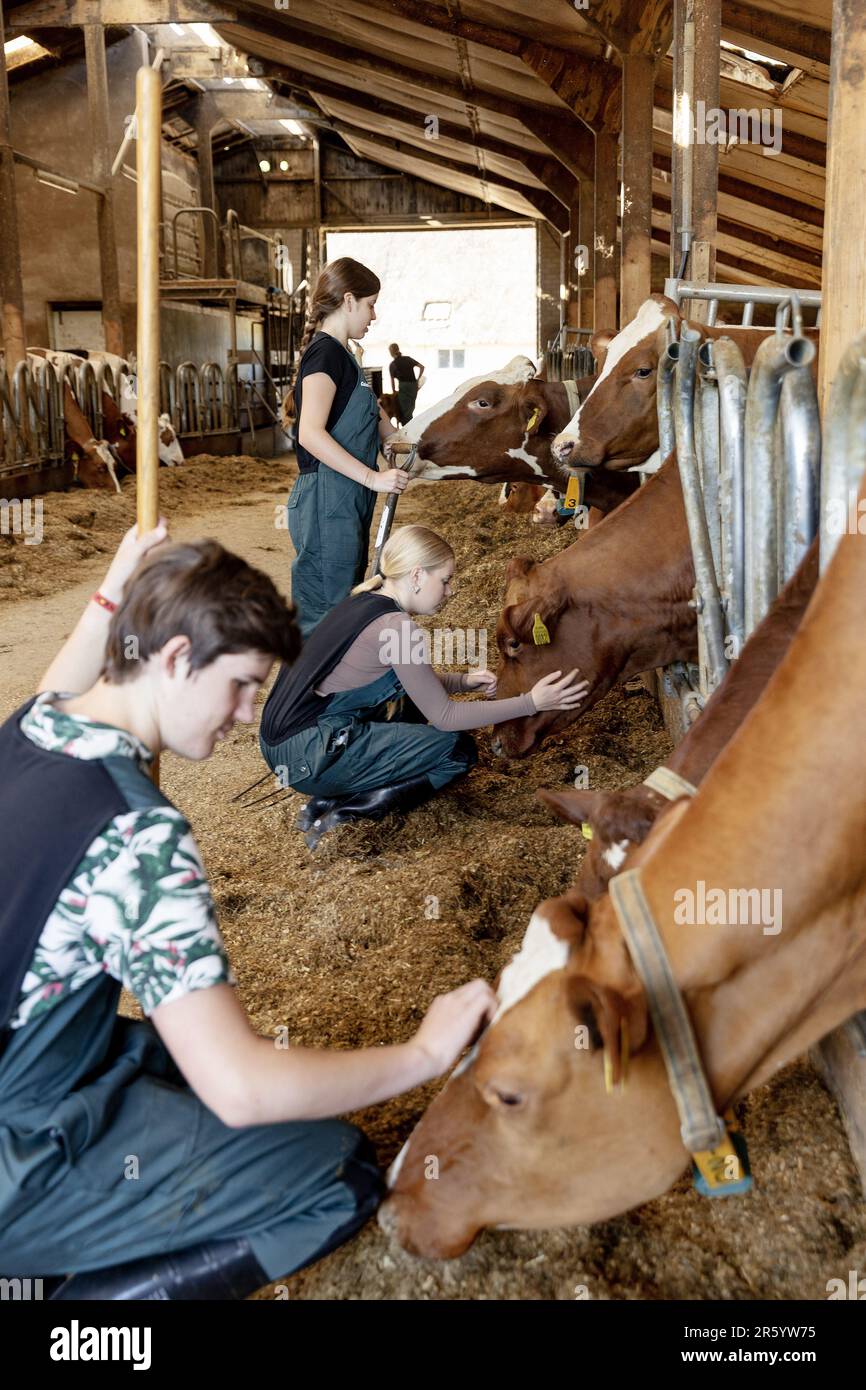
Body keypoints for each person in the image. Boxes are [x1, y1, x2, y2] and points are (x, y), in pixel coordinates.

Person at [0, 523, 496, 1300]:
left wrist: (121, 579)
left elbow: (79, 659)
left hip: (27, 1055)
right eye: (239, 685)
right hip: (17, 1142)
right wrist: (425, 1056)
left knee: (162, 1069)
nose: (243, 715)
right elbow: (238, 1086)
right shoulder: (141, 836)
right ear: (170, 658)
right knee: (339, 1175)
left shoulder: (34, 731)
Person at [259, 525, 588, 849]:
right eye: (445, 580)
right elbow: (445, 716)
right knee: (456, 751)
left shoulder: (363, 601)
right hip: (309, 753)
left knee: (410, 707)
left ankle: (322, 801)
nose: (449, 591)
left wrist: (463, 681)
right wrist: (531, 702)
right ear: (417, 576)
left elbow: (407, 682)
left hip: (289, 742)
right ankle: (345, 813)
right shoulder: (397, 627)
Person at [287, 258, 409, 638]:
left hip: (343, 497)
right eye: (371, 304)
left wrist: (393, 436)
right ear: (349, 300)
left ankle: (337, 691)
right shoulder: (324, 355)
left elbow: (366, 412)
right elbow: (309, 433)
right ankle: (308, 695)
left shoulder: (346, 357)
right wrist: (373, 477)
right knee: (325, 616)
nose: (374, 315)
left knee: (344, 605)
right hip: (326, 497)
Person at [388, 342, 424, 423]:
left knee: (405, 411)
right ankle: (409, 426)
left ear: (391, 352)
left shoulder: (393, 365)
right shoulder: (408, 359)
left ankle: (407, 428)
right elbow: (422, 367)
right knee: (411, 408)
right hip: (413, 386)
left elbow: (392, 381)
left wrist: (394, 392)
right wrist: (418, 379)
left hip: (404, 387)